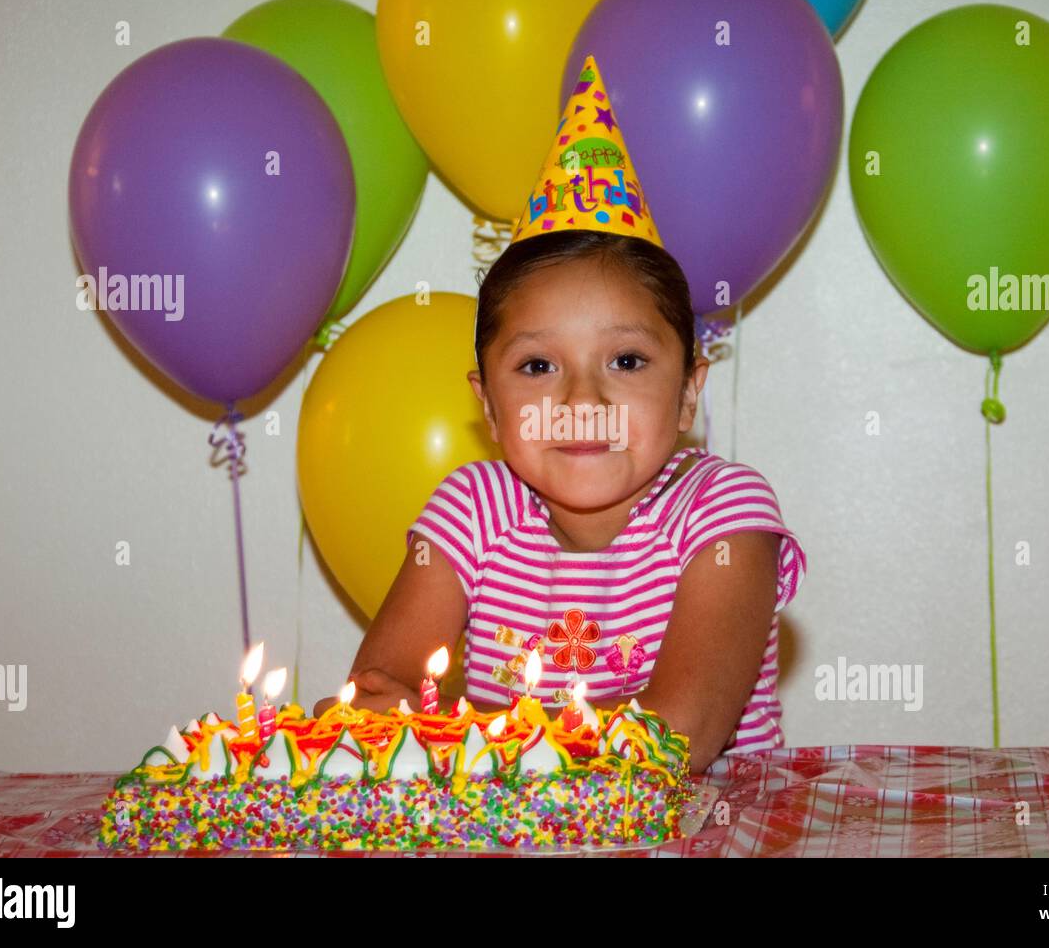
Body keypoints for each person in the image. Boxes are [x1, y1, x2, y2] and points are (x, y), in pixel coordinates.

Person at [314, 56, 806, 773]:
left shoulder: (723, 512)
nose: (580, 402)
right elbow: (377, 695)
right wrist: (364, 715)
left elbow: (676, 739)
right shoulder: (471, 510)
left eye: (627, 362)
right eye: (538, 367)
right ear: (486, 402)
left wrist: (455, 736)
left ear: (689, 392)